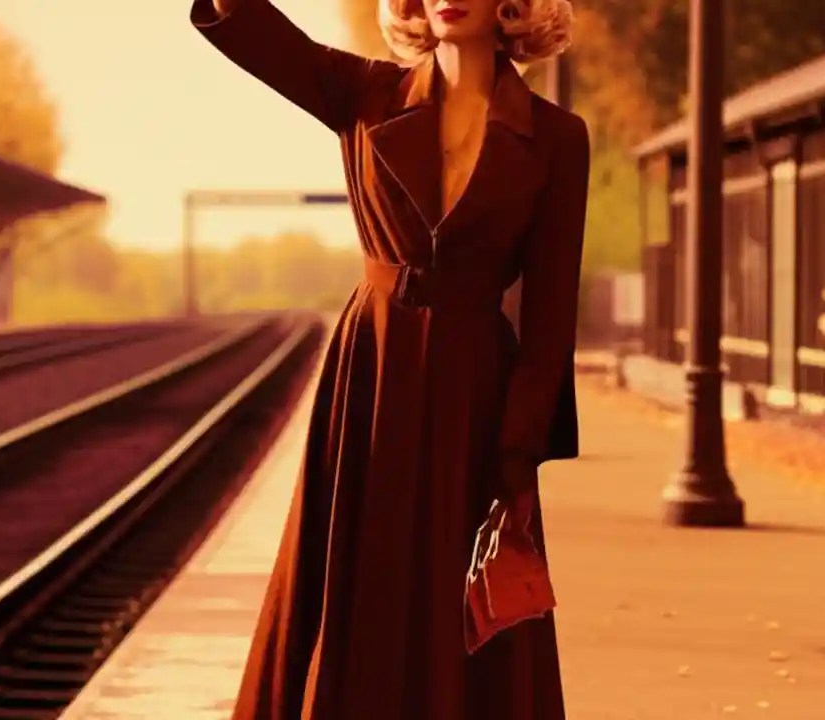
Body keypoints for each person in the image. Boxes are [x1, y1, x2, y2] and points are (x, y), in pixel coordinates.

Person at [188, 0, 589, 716]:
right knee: (355, 583)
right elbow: (255, 32)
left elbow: (552, 315)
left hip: (476, 391)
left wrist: (520, 455)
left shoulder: (559, 137)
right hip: (372, 370)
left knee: (465, 604)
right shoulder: (363, 92)